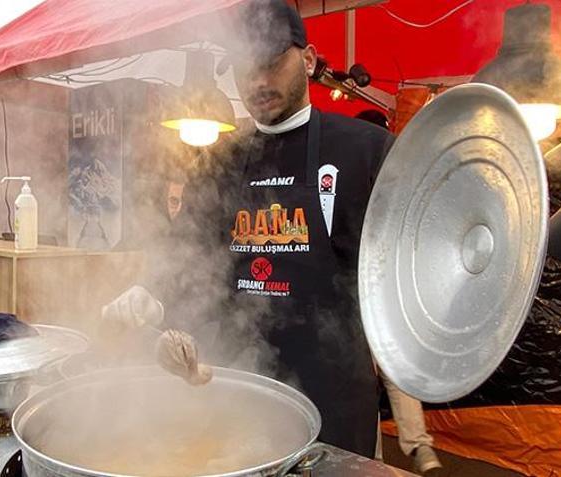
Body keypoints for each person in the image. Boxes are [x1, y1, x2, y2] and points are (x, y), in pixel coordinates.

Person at [104, 0, 391, 460]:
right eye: (244, 67)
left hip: (337, 403)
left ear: (309, 59)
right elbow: (187, 261)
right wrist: (150, 297)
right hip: (239, 395)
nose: (258, 81)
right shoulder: (217, 163)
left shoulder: (367, 150)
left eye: (272, 64)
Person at [356, 108, 443, 476]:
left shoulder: (364, 174)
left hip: (367, 289)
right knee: (387, 368)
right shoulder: (383, 174)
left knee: (376, 373)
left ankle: (384, 457)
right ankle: (415, 448)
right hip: (371, 288)